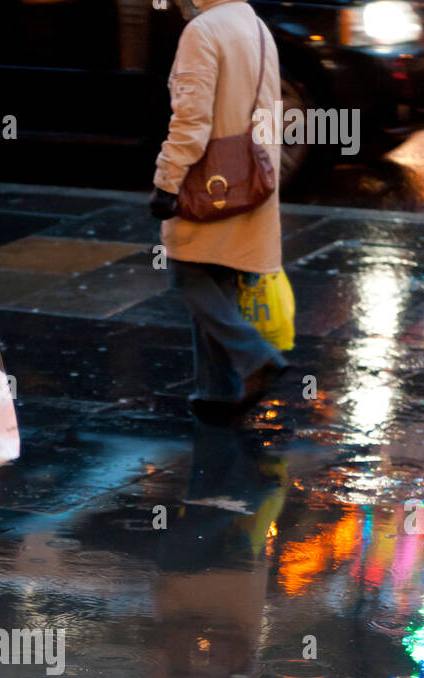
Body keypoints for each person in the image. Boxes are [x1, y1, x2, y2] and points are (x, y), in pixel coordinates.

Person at [150, 0, 287, 422]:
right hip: (251, 178)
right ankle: (217, 395)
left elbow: (191, 118)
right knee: (218, 277)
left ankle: (255, 357)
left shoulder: (203, 30)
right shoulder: (256, 25)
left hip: (209, 180)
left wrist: (166, 180)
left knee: (185, 273)